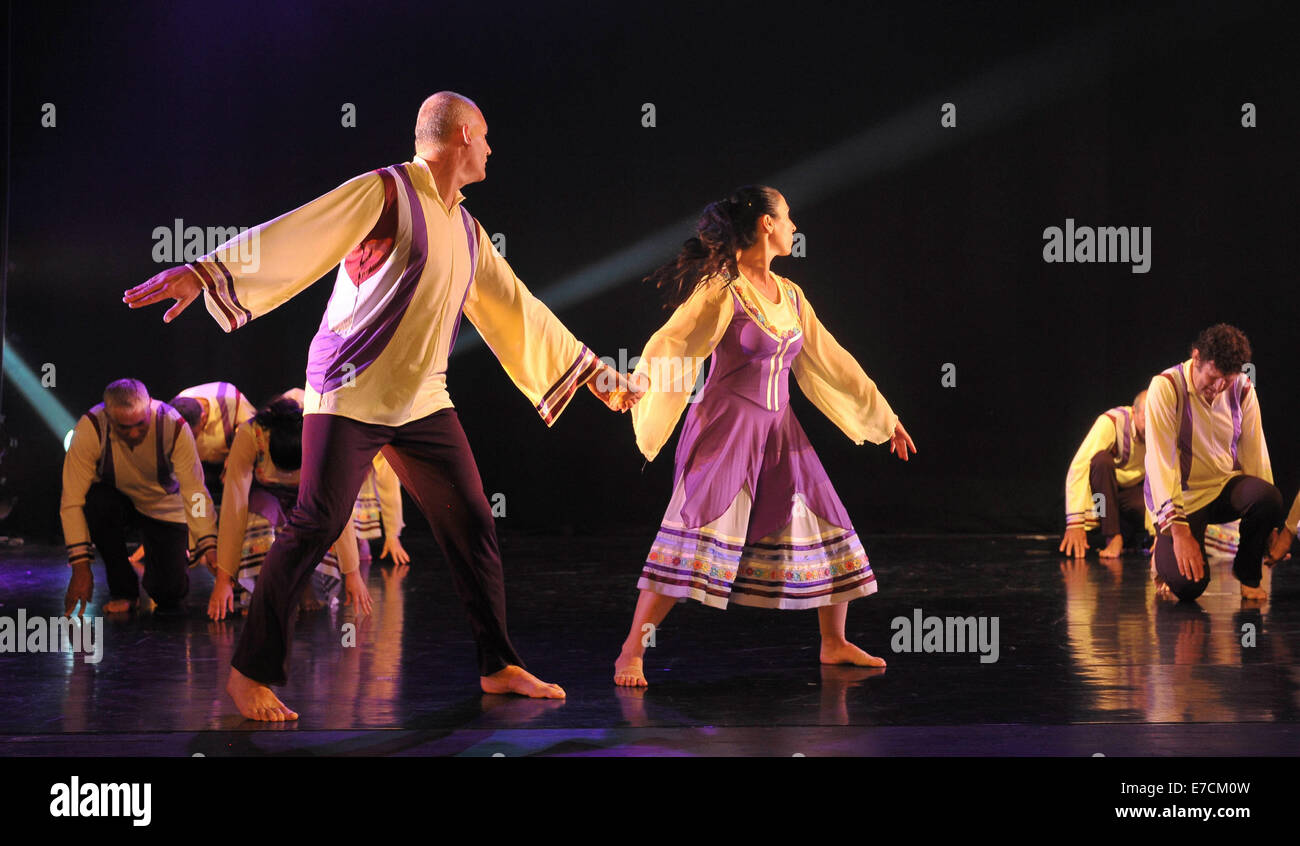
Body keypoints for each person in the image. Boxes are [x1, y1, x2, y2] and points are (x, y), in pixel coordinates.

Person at [124, 91, 641, 720]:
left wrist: (592, 374)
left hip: (421, 398)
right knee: (317, 520)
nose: (490, 149)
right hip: (351, 387)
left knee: (473, 519)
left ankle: (498, 663)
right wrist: (208, 272)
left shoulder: (468, 230)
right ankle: (248, 674)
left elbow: (517, 310)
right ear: (458, 136)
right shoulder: (387, 193)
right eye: (483, 137)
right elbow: (301, 232)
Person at [611, 185, 915, 687]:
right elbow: (674, 340)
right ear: (767, 225)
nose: (795, 226)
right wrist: (641, 382)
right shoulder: (723, 288)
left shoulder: (791, 295)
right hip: (727, 428)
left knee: (824, 519)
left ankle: (834, 642)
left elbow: (830, 358)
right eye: (789, 216)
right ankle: (631, 652)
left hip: (779, 427)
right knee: (692, 532)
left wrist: (884, 417)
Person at [1144, 324, 1282, 601]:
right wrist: (1178, 530)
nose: (1218, 388)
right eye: (1213, 377)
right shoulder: (1166, 387)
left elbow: (1256, 454)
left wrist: (1270, 526)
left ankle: (1248, 574)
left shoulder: (1242, 390)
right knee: (1188, 586)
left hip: (1221, 489)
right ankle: (1163, 552)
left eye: (1227, 380)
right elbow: (1161, 462)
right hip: (1183, 498)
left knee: (1269, 498)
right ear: (1196, 359)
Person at [207, 397, 372, 622]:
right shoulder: (251, 434)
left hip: (306, 497)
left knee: (321, 520)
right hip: (266, 498)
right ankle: (260, 592)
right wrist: (223, 580)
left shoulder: (321, 439)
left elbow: (336, 508)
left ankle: (304, 585)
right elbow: (234, 504)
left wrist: (352, 573)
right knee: (260, 518)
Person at [62, 379, 217, 615]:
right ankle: (123, 590)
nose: (134, 433)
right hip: (121, 500)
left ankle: (171, 565)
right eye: (124, 427)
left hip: (164, 508)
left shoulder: (173, 425)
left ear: (149, 409)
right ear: (109, 418)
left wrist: (207, 543)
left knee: (168, 594)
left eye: (140, 424)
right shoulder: (91, 428)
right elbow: (72, 500)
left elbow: (194, 491)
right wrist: (80, 568)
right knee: (96, 501)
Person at [1059, 392, 1148, 558]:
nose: (1151, 427)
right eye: (1146, 419)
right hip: (1101, 496)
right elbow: (1080, 465)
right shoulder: (1112, 422)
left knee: (1149, 505)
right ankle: (1112, 536)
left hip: (1127, 496)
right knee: (1101, 460)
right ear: (1134, 412)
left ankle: (1131, 537)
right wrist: (1075, 524)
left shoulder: (1165, 428)